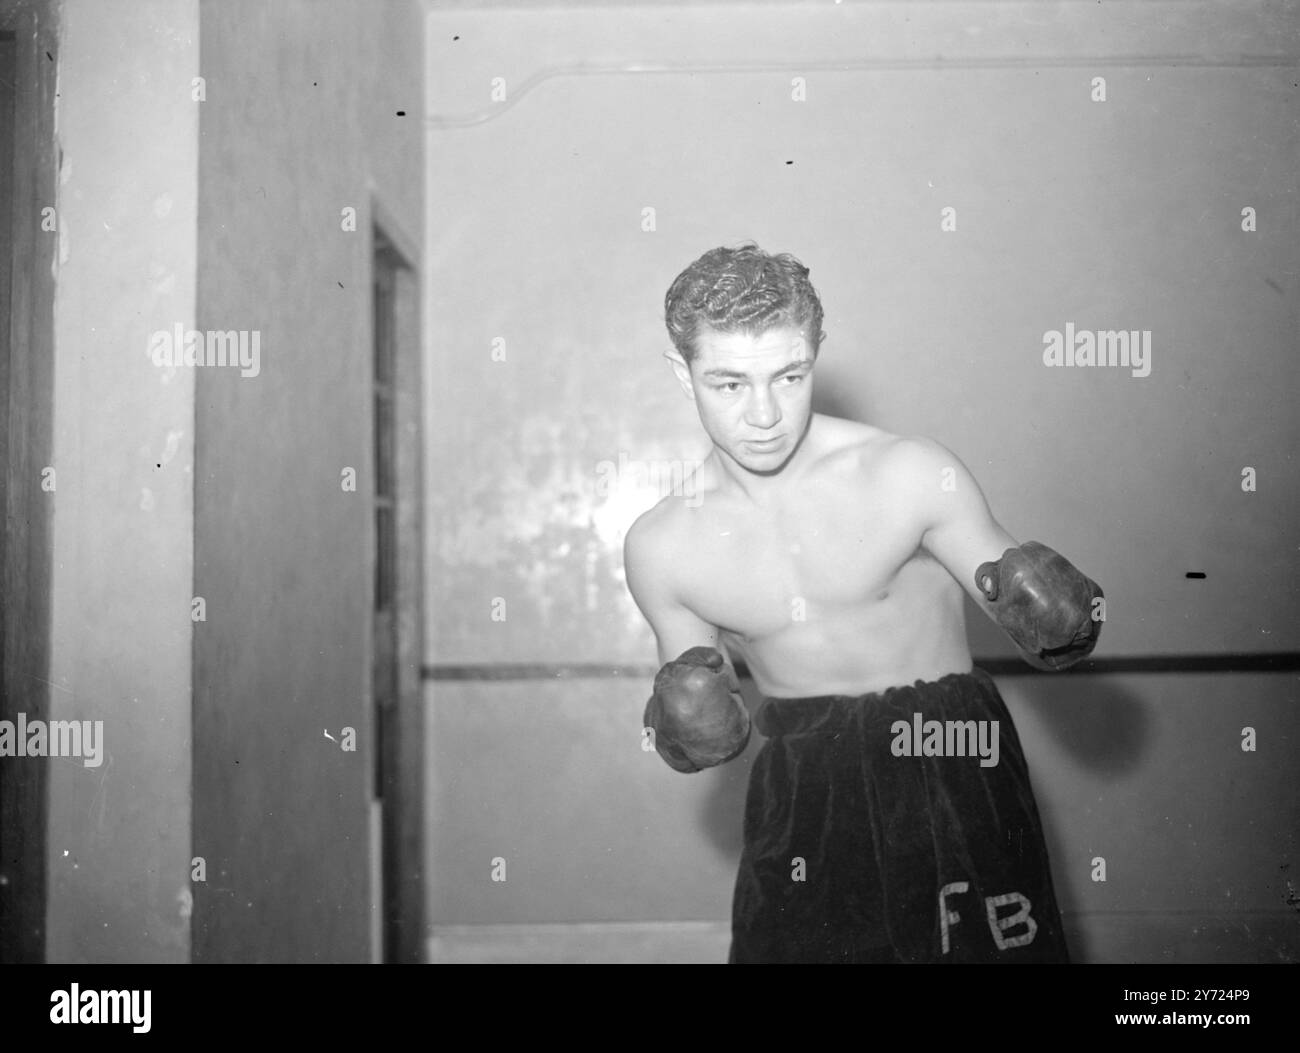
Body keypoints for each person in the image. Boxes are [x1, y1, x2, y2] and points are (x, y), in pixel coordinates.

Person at [624, 243, 1103, 963]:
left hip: (947, 750)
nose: (764, 414)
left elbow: (1041, 610)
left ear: (816, 353)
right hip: (803, 776)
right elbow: (697, 727)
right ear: (680, 372)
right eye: (729, 384)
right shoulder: (665, 545)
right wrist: (685, 720)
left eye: (790, 376)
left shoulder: (908, 473)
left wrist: (1062, 616)